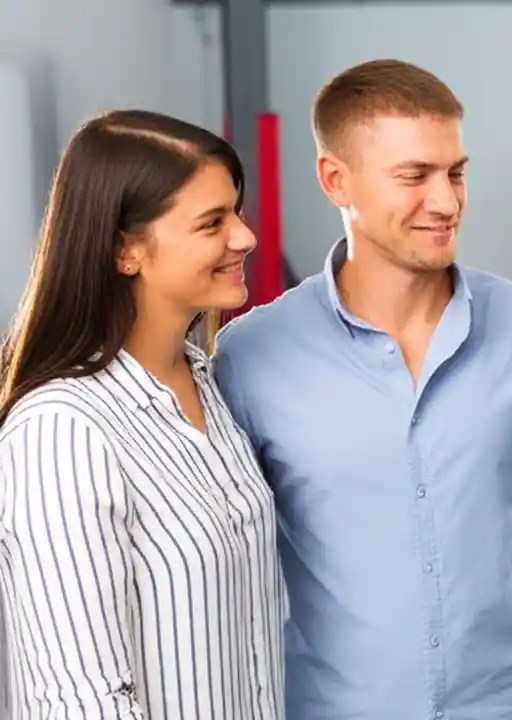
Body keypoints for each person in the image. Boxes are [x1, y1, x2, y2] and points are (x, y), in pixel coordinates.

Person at [212, 59, 512, 719]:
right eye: (414, 176)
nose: (447, 202)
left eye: (455, 173)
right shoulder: (253, 356)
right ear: (336, 180)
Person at [0, 110, 285, 718]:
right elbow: (81, 701)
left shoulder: (210, 387)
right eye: (212, 222)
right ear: (126, 250)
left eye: (236, 211)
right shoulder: (63, 430)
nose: (245, 237)